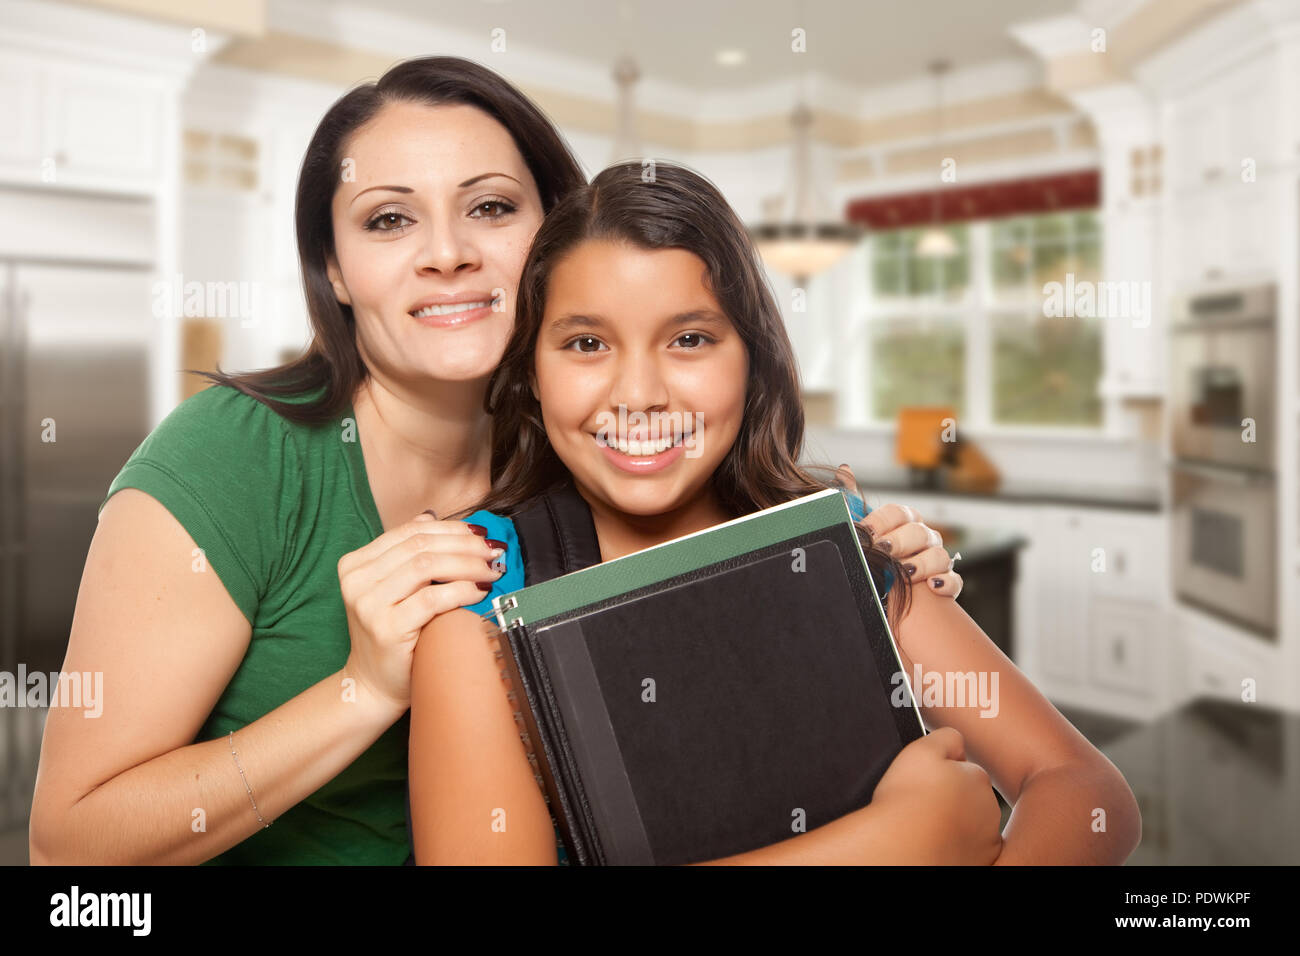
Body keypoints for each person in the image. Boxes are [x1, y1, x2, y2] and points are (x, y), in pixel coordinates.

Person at [28, 57, 959, 865]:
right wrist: (363, 688)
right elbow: (71, 844)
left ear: (552, 237)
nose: (447, 254)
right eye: (389, 221)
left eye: (490, 206)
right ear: (336, 269)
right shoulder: (232, 457)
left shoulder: (582, 448)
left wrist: (863, 573)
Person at [408, 161, 1142, 865]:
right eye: (587, 343)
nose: (639, 394)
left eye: (691, 338)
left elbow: (1082, 789)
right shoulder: (477, 606)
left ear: (752, 359)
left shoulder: (837, 547)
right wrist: (890, 848)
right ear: (532, 374)